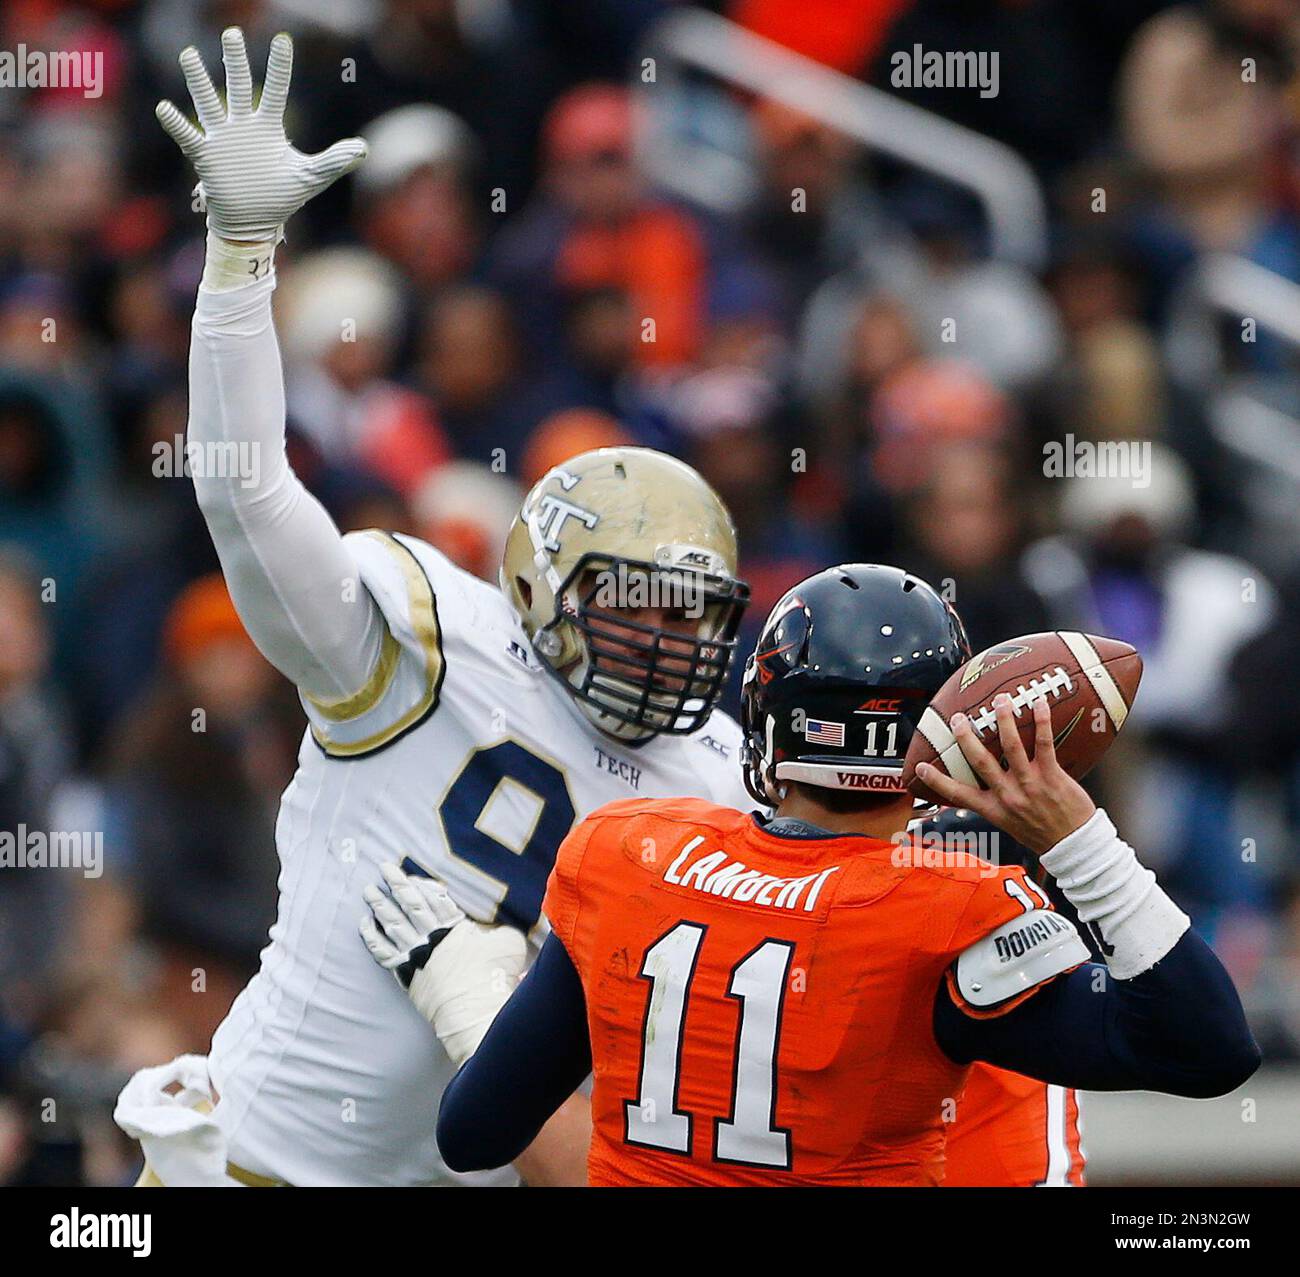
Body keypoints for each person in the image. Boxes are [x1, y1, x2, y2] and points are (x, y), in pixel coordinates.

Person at [114, 29, 753, 1188]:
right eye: (635, 606)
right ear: (539, 592)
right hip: (262, 1168)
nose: (667, 642)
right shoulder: (422, 642)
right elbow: (242, 482)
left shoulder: (717, 776)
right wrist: (241, 255)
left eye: (692, 615)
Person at [372, 566, 1259, 1185]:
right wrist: (1079, 837)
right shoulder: (950, 905)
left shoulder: (626, 849)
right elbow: (1210, 1045)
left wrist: (467, 995)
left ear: (769, 716)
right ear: (948, 724)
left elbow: (474, 1132)